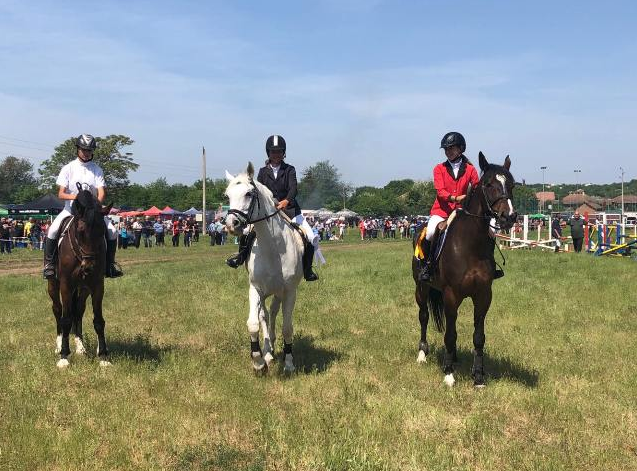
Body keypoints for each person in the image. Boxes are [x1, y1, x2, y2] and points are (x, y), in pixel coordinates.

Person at [226, 134, 318, 281]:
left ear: (283, 153)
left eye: (279, 151)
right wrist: (271, 205)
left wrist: (285, 201)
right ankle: (240, 257)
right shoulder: (263, 171)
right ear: (268, 153)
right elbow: (260, 190)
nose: (276, 154)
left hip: (290, 209)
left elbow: (293, 189)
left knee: (311, 237)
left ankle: (307, 270)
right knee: (247, 232)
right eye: (273, 152)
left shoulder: (290, 170)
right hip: (269, 211)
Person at [42, 134, 123, 278]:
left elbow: (101, 192)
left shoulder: (97, 169)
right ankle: (50, 265)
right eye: (84, 150)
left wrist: (96, 206)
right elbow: (61, 194)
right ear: (78, 149)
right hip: (71, 210)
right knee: (52, 231)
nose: (86, 153)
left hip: (92, 211)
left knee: (112, 231)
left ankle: (110, 265)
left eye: (89, 150)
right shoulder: (68, 168)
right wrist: (77, 197)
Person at [418, 131, 480, 281]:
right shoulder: (439, 168)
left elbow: (477, 187)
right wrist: (456, 197)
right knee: (431, 232)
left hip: (462, 211)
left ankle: (488, 264)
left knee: (485, 230)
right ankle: (428, 265)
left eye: (451, 148)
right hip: (441, 211)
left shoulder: (470, 169)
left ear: (460, 148)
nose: (448, 151)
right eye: (446, 149)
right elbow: (440, 192)